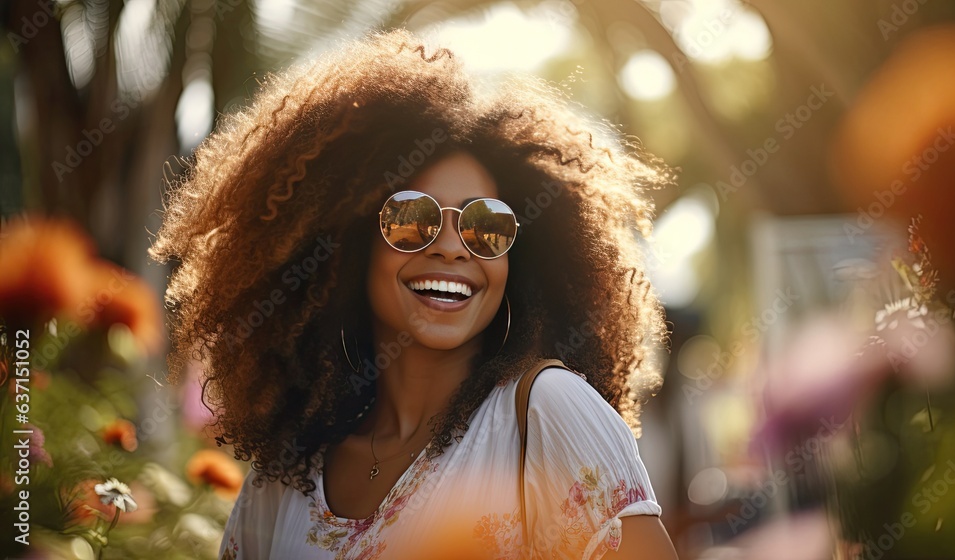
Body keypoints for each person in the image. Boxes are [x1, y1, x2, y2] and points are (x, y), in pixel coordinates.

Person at [150, 29, 678, 559]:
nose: (451, 247)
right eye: (410, 218)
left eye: (485, 226)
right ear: (350, 248)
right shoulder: (286, 475)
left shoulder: (546, 413)